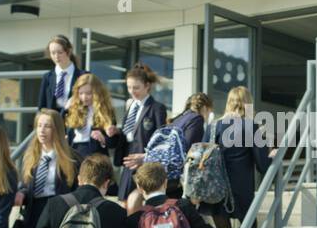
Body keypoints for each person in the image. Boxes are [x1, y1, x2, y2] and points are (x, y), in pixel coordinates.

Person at [198, 86, 276, 228]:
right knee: (249, 227)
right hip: (239, 192)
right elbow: (263, 164)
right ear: (247, 103)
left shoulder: (214, 126)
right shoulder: (252, 127)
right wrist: (272, 153)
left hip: (214, 190)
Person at [110, 63, 167, 204]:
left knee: (139, 204)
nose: (132, 91)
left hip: (144, 162)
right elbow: (130, 132)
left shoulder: (156, 108)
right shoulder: (130, 105)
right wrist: (117, 131)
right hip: (129, 160)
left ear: (147, 86)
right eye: (129, 87)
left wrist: (147, 157)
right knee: (125, 202)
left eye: (136, 87)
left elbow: (162, 140)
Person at [164, 92, 213, 198]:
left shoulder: (180, 118)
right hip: (178, 176)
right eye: (209, 111)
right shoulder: (197, 119)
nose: (209, 114)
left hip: (167, 171)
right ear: (205, 108)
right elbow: (192, 149)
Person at [65, 73, 121, 162]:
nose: (84, 97)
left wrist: (103, 139)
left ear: (97, 93)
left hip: (96, 156)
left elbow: (113, 143)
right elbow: (60, 127)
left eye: (88, 93)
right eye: (81, 93)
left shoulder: (105, 111)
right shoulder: (73, 108)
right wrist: (67, 106)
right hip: (74, 152)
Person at [38, 34, 87, 113]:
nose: (56, 56)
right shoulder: (47, 77)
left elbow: (97, 101)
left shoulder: (84, 76)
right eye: (53, 53)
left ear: (69, 51)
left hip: (75, 121)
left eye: (60, 52)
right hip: (53, 122)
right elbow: (42, 106)